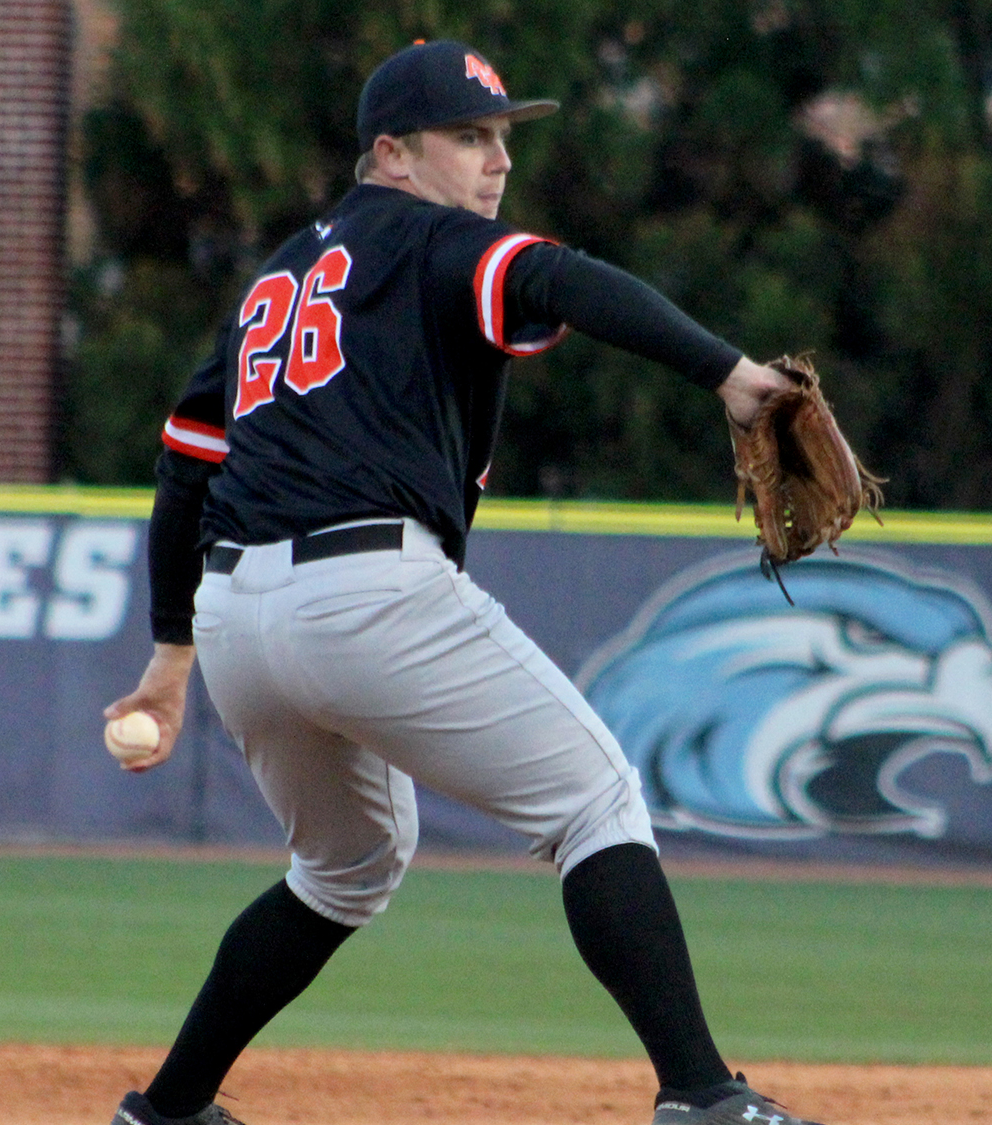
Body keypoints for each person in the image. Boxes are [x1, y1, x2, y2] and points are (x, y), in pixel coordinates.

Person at [103, 40, 827, 1125]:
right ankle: (699, 1095)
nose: (495, 163)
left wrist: (170, 657)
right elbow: (558, 278)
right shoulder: (437, 241)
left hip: (239, 618)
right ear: (390, 153)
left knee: (341, 870)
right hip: (365, 592)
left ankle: (166, 1112)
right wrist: (723, 371)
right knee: (594, 802)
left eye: (500, 140)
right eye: (467, 138)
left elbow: (183, 467)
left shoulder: (275, 280)